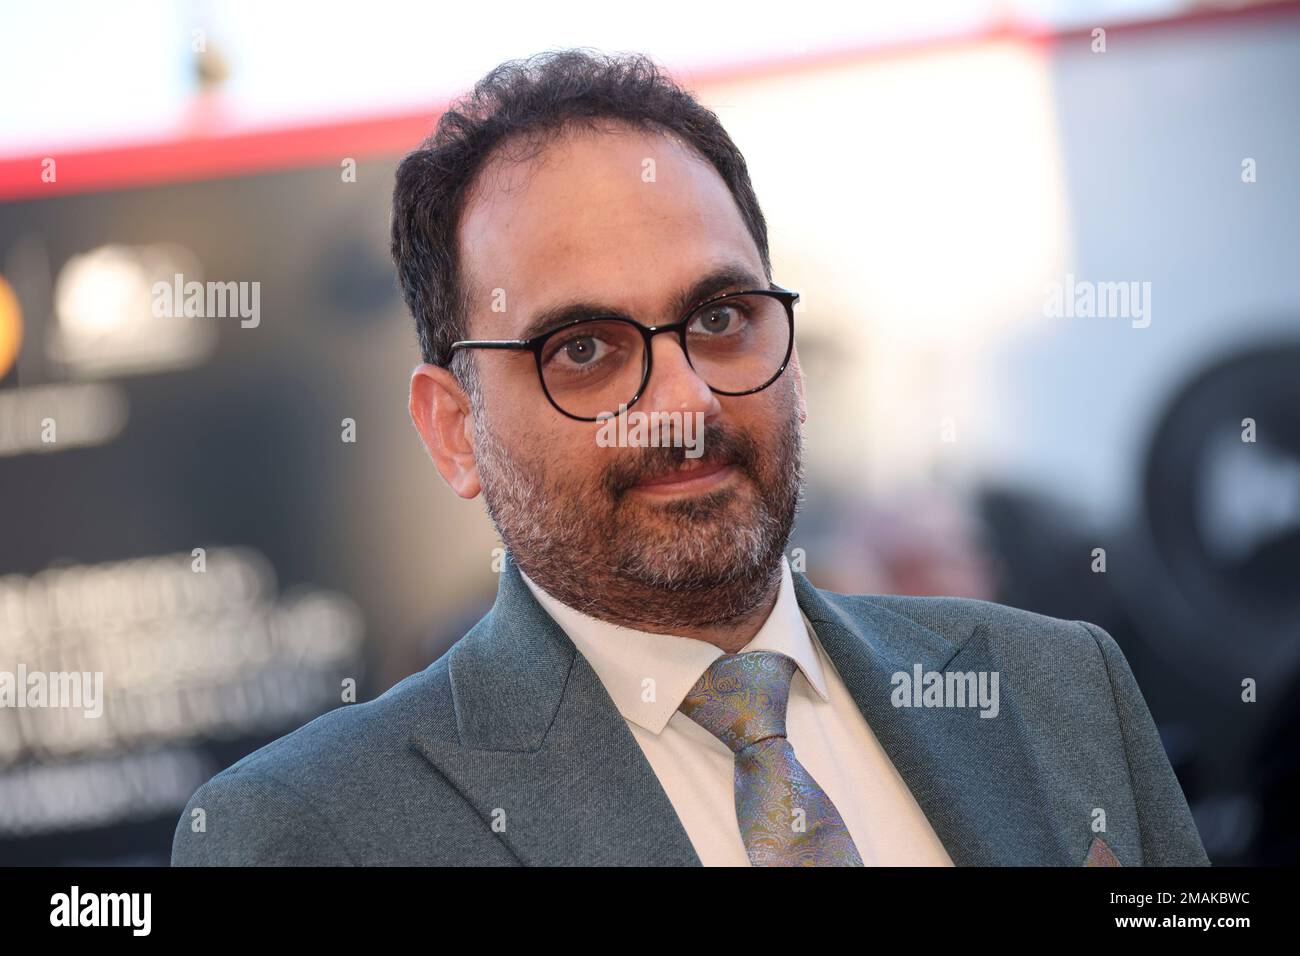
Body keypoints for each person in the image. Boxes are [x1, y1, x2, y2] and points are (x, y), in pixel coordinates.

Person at [171, 48, 1208, 867]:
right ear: (453, 429)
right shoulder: (312, 830)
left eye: (719, 315)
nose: (683, 400)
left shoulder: (1060, 685)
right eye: (582, 348)